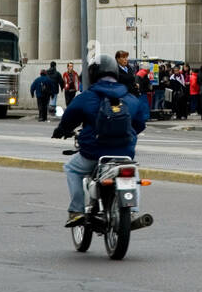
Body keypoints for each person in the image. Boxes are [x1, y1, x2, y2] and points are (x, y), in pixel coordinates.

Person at [51, 53, 149, 228]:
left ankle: (76, 211)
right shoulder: (130, 98)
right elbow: (141, 123)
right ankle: (133, 212)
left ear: (93, 74)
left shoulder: (87, 97)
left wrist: (61, 131)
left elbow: (69, 118)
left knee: (71, 169)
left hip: (94, 152)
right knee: (132, 174)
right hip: (124, 154)